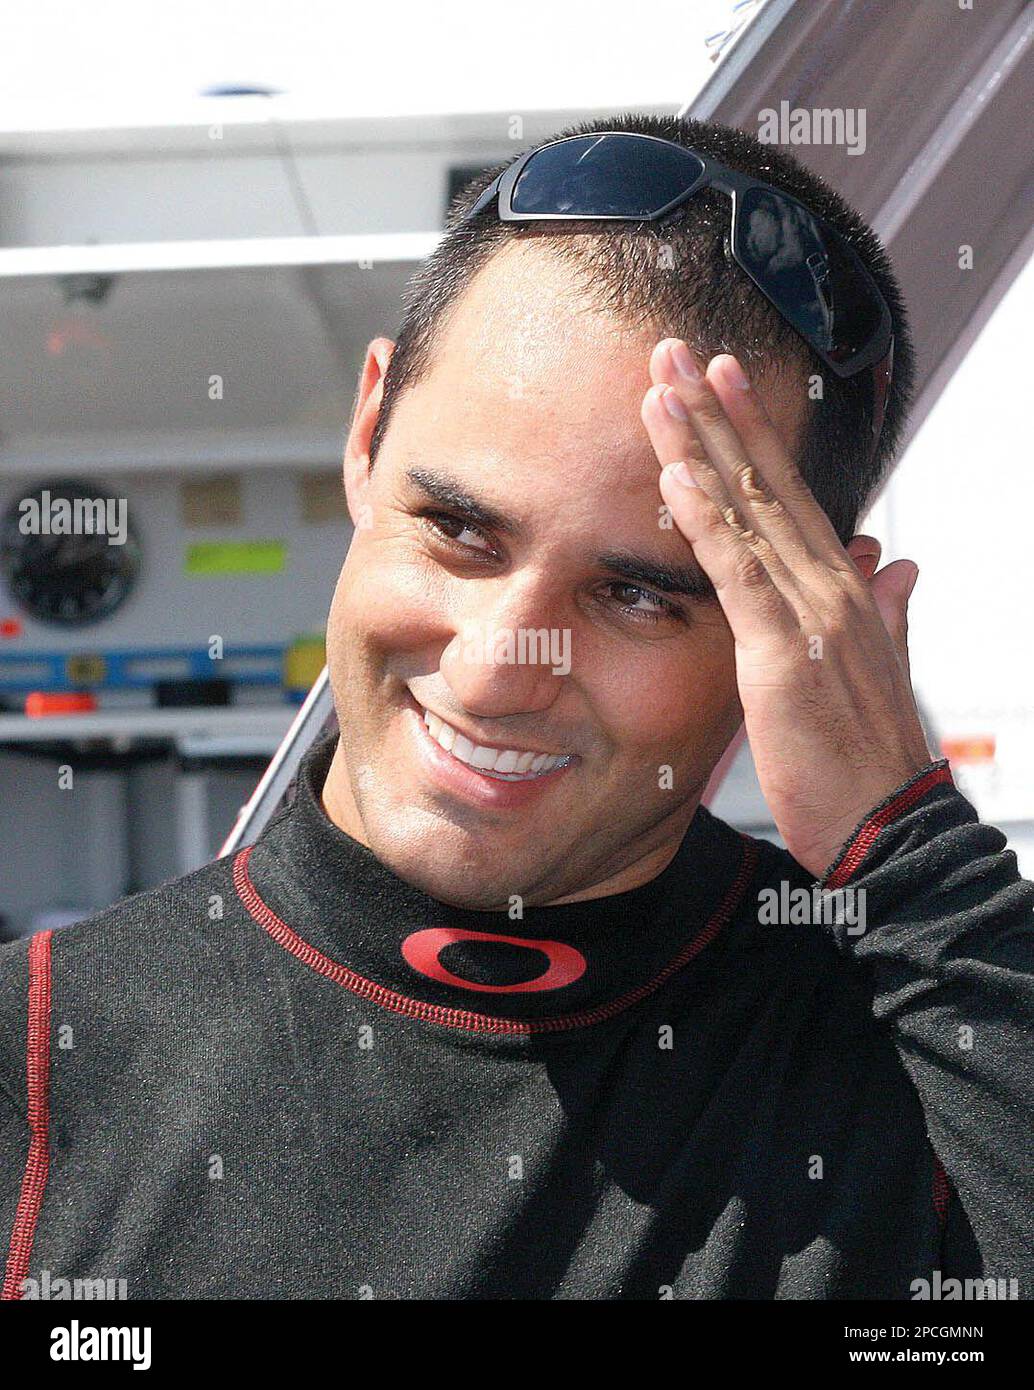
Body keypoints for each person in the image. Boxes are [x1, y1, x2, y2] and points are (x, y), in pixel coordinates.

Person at [2, 112, 1031, 1301]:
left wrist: (905, 841)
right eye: (458, 529)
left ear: (806, 623)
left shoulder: (918, 1080)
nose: (497, 667)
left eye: (637, 595)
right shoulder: (35, 1064)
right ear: (367, 427)